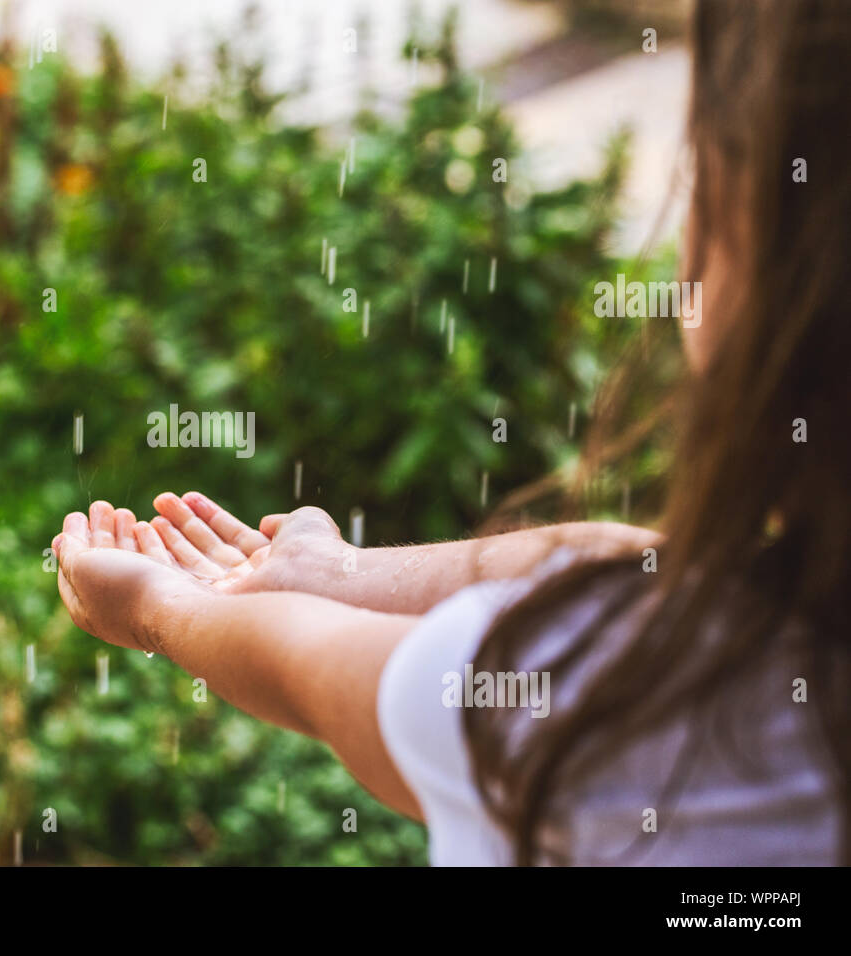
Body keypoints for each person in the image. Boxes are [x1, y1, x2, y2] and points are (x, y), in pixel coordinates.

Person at [51, 0, 849, 865]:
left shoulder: (663, 712)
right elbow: (627, 560)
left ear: (758, 245)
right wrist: (336, 571)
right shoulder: (790, 625)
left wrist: (158, 607)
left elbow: (317, 669)